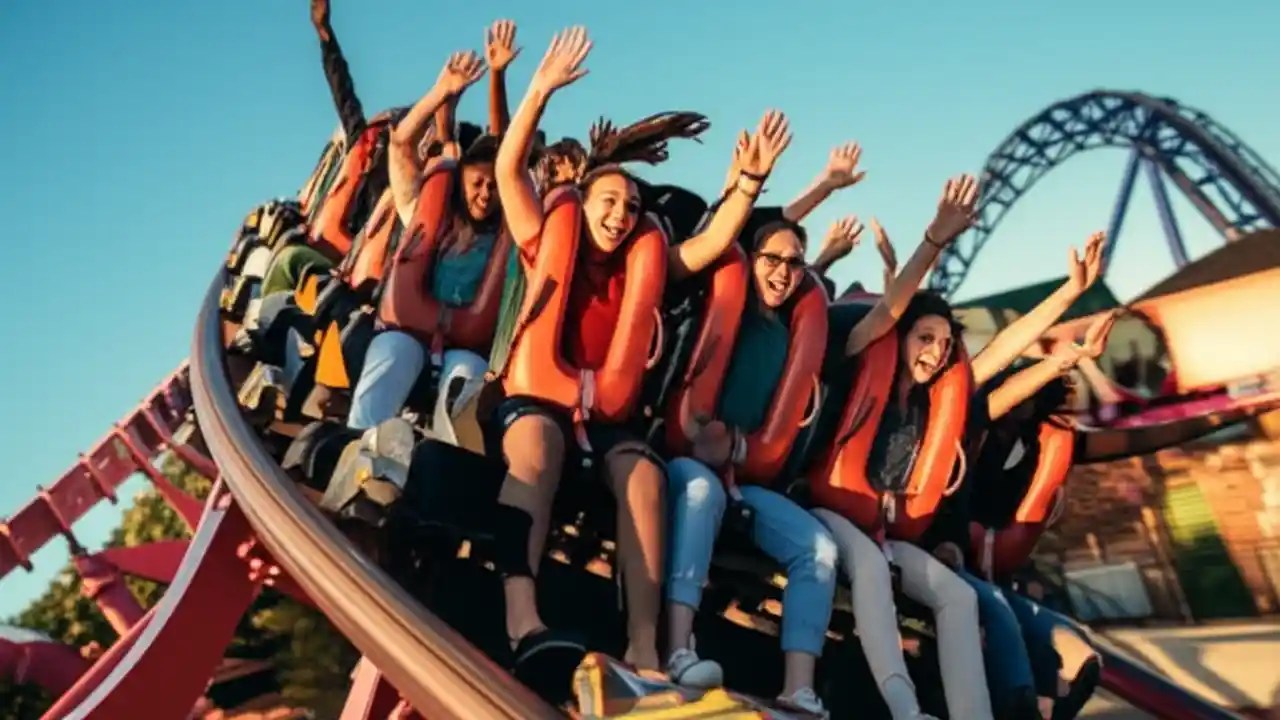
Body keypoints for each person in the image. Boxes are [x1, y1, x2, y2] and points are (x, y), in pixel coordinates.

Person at [486, 26, 782, 692]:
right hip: (536, 401)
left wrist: (748, 184)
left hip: (605, 418)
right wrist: (538, 90)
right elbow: (508, 170)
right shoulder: (544, 234)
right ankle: (522, 620)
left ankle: (646, 650)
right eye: (610, 202)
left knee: (646, 477)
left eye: (631, 207)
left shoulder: (647, 262)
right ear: (585, 203)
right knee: (536, 448)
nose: (621, 216)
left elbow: (710, 247)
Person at [664, 214, 864, 716]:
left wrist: (824, 259)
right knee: (701, 493)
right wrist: (816, 189)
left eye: (795, 264)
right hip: (687, 464)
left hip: (746, 478)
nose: (783, 272)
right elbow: (732, 233)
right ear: (751, 258)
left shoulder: (794, 330)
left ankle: (798, 688)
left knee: (818, 549)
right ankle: (678, 649)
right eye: (771, 259)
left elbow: (870, 317)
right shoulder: (721, 303)